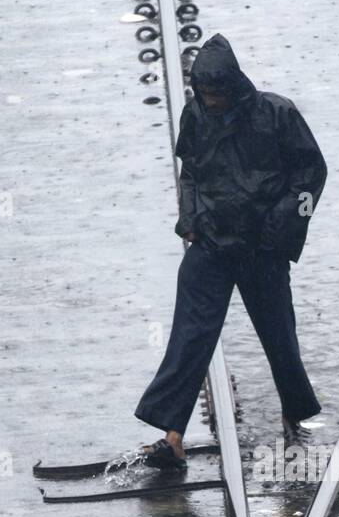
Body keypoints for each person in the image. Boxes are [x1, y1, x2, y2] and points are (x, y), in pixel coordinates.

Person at [135, 34, 327, 469]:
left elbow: (312, 173)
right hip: (211, 244)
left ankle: (294, 413)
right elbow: (189, 174)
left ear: (235, 86)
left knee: (279, 337)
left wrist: (288, 223)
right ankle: (173, 436)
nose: (212, 101)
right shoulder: (196, 116)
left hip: (263, 248)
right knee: (189, 338)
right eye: (205, 93)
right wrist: (190, 222)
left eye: (218, 93)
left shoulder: (277, 114)